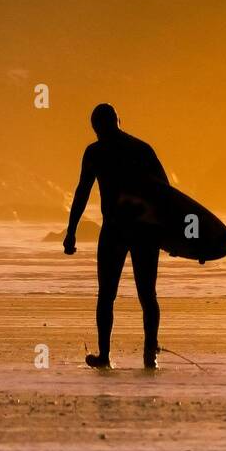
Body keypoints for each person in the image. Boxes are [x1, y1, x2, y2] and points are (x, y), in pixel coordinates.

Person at [64, 103, 168, 369]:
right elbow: (165, 195)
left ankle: (109, 355)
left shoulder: (97, 152)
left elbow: (82, 193)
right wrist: (171, 236)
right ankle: (147, 355)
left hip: (118, 230)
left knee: (109, 295)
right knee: (145, 294)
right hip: (141, 230)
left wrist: (71, 232)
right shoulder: (141, 150)